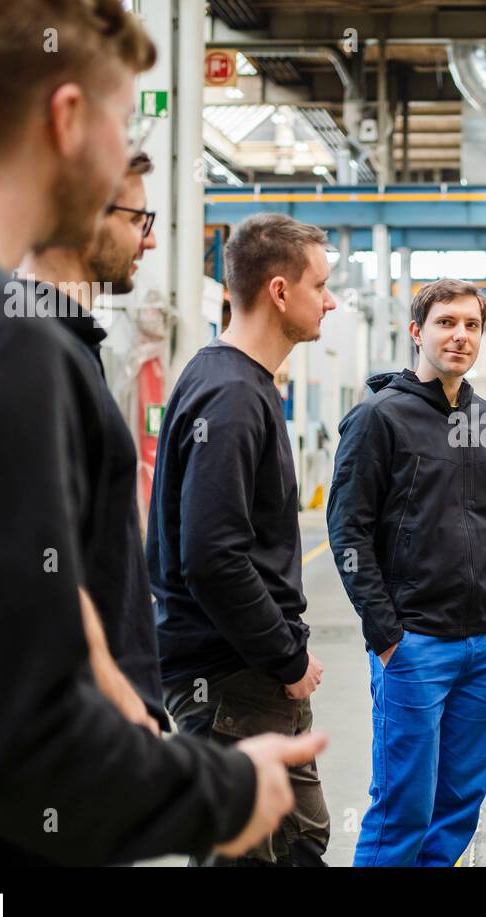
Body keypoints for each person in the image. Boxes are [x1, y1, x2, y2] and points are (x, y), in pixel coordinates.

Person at [0, 0, 321, 866]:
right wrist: (223, 788)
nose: (125, 158)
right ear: (68, 121)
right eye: (121, 120)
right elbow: (3, 738)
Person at [148, 213, 335, 866]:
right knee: (265, 849)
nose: (331, 300)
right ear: (280, 292)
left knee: (297, 840)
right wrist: (286, 658)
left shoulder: (236, 382)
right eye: (321, 285)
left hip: (240, 675)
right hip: (233, 679)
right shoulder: (231, 396)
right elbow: (212, 555)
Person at [327, 277, 486, 867]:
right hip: (414, 644)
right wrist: (385, 633)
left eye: (471, 325)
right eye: (445, 322)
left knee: (462, 797)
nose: (460, 335)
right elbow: (348, 532)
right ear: (417, 331)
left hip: (484, 641)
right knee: (403, 803)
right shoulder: (379, 418)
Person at [17, 152, 164, 734]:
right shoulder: (33, 349)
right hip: (83, 731)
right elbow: (32, 567)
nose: (147, 244)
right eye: (137, 220)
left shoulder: (71, 345)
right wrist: (128, 710)